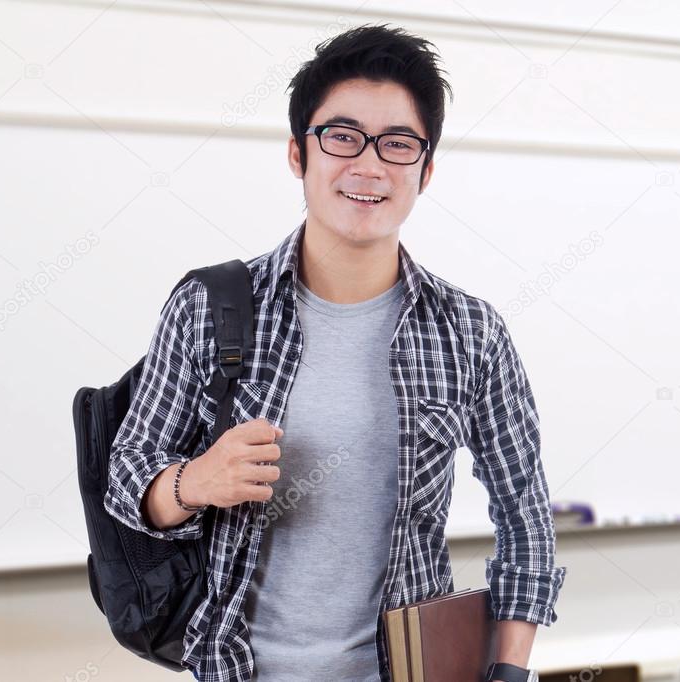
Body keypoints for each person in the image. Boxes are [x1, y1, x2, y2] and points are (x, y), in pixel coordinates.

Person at [104, 23, 565, 682]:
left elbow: (526, 519)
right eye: (343, 137)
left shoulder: (470, 332)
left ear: (425, 170)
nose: (369, 165)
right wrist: (194, 483)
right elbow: (125, 476)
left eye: (398, 144)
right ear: (299, 154)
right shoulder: (212, 305)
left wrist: (507, 672)